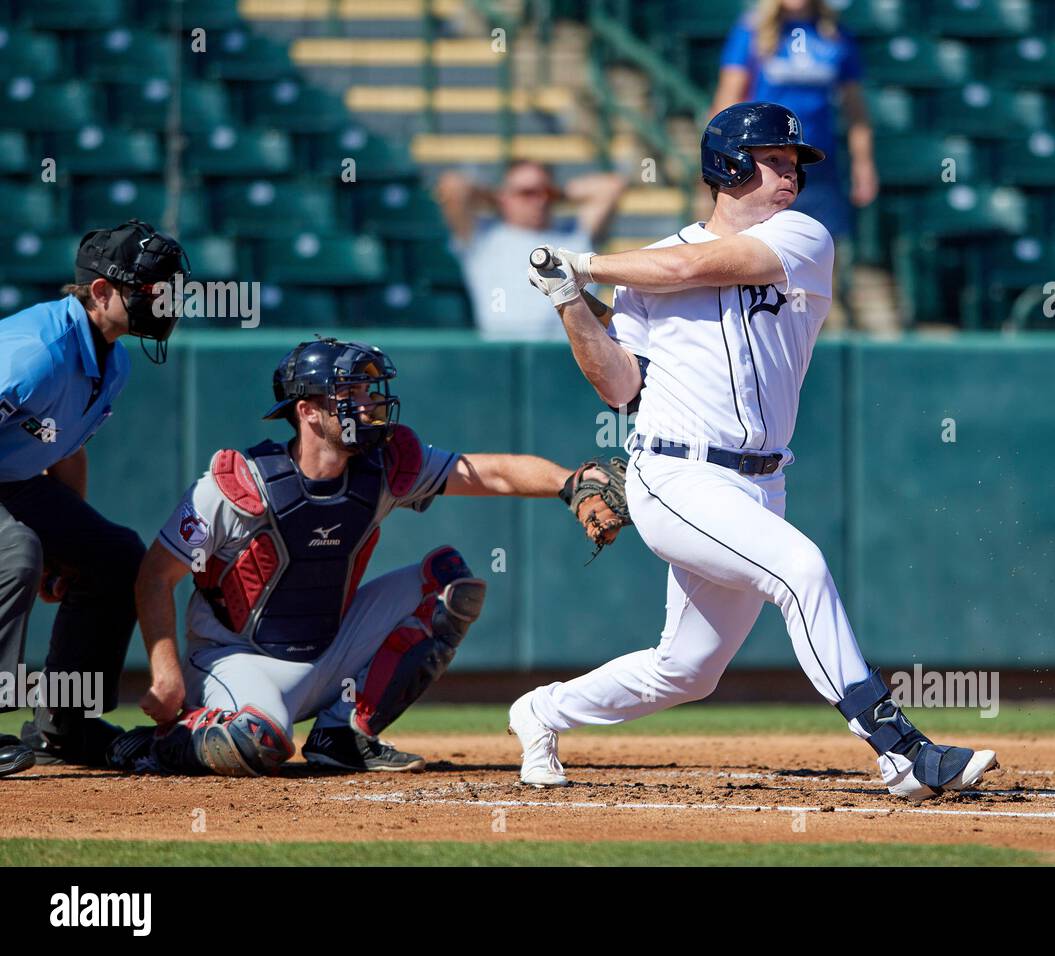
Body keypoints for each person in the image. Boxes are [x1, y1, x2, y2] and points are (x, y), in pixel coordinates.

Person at [510, 102, 998, 803]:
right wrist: (569, 301)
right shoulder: (644, 272)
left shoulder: (802, 237)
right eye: (774, 160)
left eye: (794, 162)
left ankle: (541, 712)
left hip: (762, 480)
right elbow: (619, 385)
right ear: (728, 166)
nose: (790, 173)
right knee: (800, 569)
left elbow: (703, 263)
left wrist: (585, 262)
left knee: (687, 672)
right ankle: (900, 752)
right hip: (675, 474)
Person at [109, 337, 627, 775]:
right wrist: (165, 673)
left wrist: (570, 483)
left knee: (450, 582)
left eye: (367, 391)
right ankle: (164, 744)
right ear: (308, 412)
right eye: (350, 393)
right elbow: (156, 575)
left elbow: (489, 471)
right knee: (260, 742)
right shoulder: (238, 482)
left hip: (329, 648)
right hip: (237, 658)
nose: (369, 403)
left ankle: (343, 735)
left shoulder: (383, 465)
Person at [0, 220, 188, 777]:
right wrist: (29, 545)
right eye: (151, 291)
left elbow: (66, 452)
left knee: (114, 556)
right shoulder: (34, 353)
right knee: (14, 551)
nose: (165, 302)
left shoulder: (114, 360)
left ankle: (65, 724)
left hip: (15, 481)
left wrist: (67, 546)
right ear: (102, 291)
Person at [712, 0, 876, 324]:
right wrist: (721, 158)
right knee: (754, 263)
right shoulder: (752, 31)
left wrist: (863, 162)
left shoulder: (836, 36)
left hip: (818, 170)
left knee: (822, 268)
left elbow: (855, 108)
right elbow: (727, 99)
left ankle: (818, 347)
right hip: (761, 171)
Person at [438, 161, 626, 339]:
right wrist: (496, 196)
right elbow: (452, 187)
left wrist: (558, 192)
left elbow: (611, 186)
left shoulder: (574, 232)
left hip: (575, 356)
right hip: (505, 357)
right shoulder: (483, 236)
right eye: (528, 193)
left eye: (547, 193)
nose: (541, 200)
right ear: (504, 196)